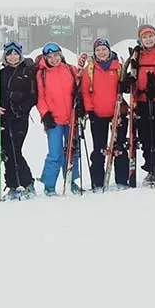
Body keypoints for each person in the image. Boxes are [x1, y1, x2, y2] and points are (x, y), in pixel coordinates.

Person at [122, 25, 155, 185]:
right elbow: (134, 75)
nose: (148, 40)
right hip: (142, 101)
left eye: (151, 36)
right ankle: (151, 169)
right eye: (145, 37)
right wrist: (131, 82)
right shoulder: (138, 55)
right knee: (145, 138)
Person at [35, 42, 85, 196]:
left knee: (73, 151)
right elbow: (40, 97)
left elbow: (80, 86)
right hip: (54, 120)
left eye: (56, 55)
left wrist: (80, 108)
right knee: (55, 153)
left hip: (71, 118)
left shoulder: (70, 69)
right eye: (49, 57)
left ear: (61, 55)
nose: (53, 59)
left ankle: (71, 179)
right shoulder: (41, 74)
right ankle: (49, 185)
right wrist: (45, 114)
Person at [81, 38, 129, 190]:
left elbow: (126, 88)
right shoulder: (90, 69)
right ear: (94, 52)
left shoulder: (118, 67)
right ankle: (98, 182)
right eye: (98, 50)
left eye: (104, 49)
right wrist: (90, 110)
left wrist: (125, 85)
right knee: (99, 149)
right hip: (98, 114)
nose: (101, 52)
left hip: (117, 113)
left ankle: (122, 180)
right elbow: (85, 92)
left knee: (119, 148)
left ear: (109, 50)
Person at [0, 40, 38, 199]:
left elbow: (33, 96)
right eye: (9, 54)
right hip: (4, 118)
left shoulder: (27, 71)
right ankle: (12, 184)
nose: (12, 57)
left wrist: (21, 108)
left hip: (20, 117)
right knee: (6, 152)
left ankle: (27, 183)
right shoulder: (1, 73)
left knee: (16, 151)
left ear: (20, 54)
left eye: (15, 53)